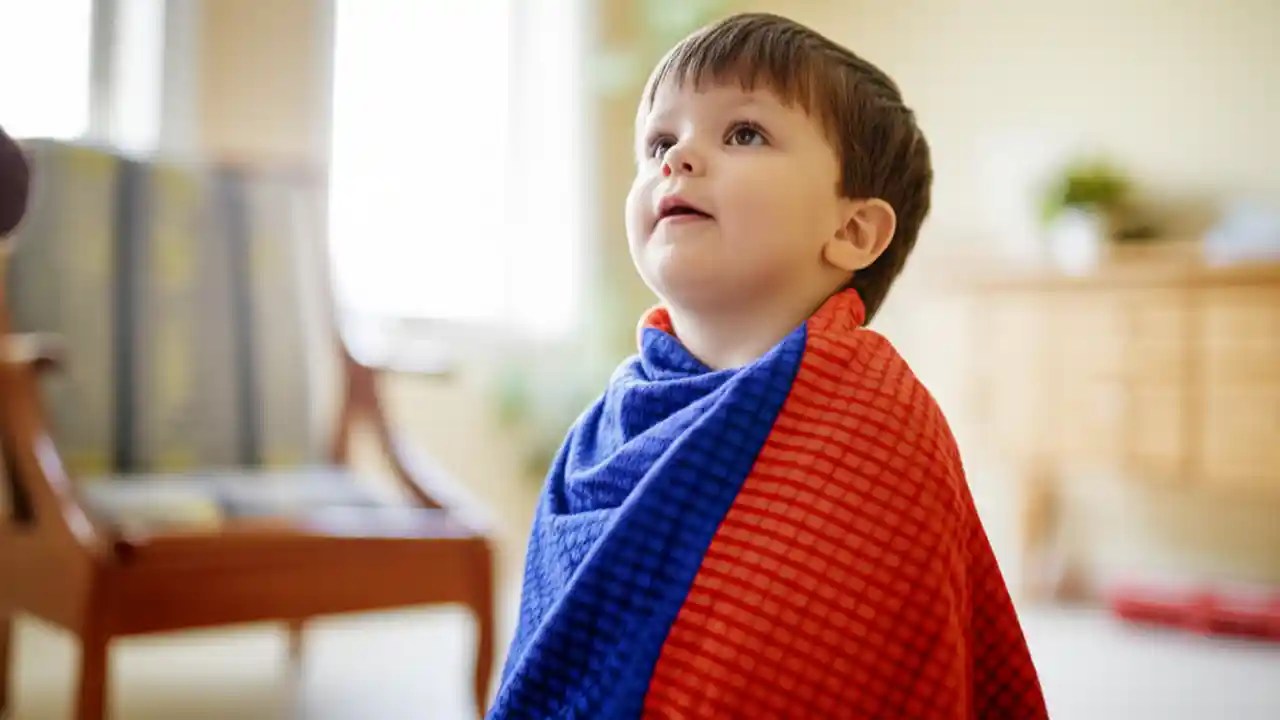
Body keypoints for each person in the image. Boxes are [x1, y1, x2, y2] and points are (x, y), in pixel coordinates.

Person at [489, 13, 1047, 719]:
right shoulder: (598, 436)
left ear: (852, 230)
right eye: (660, 141)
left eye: (744, 134)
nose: (678, 158)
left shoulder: (877, 424)